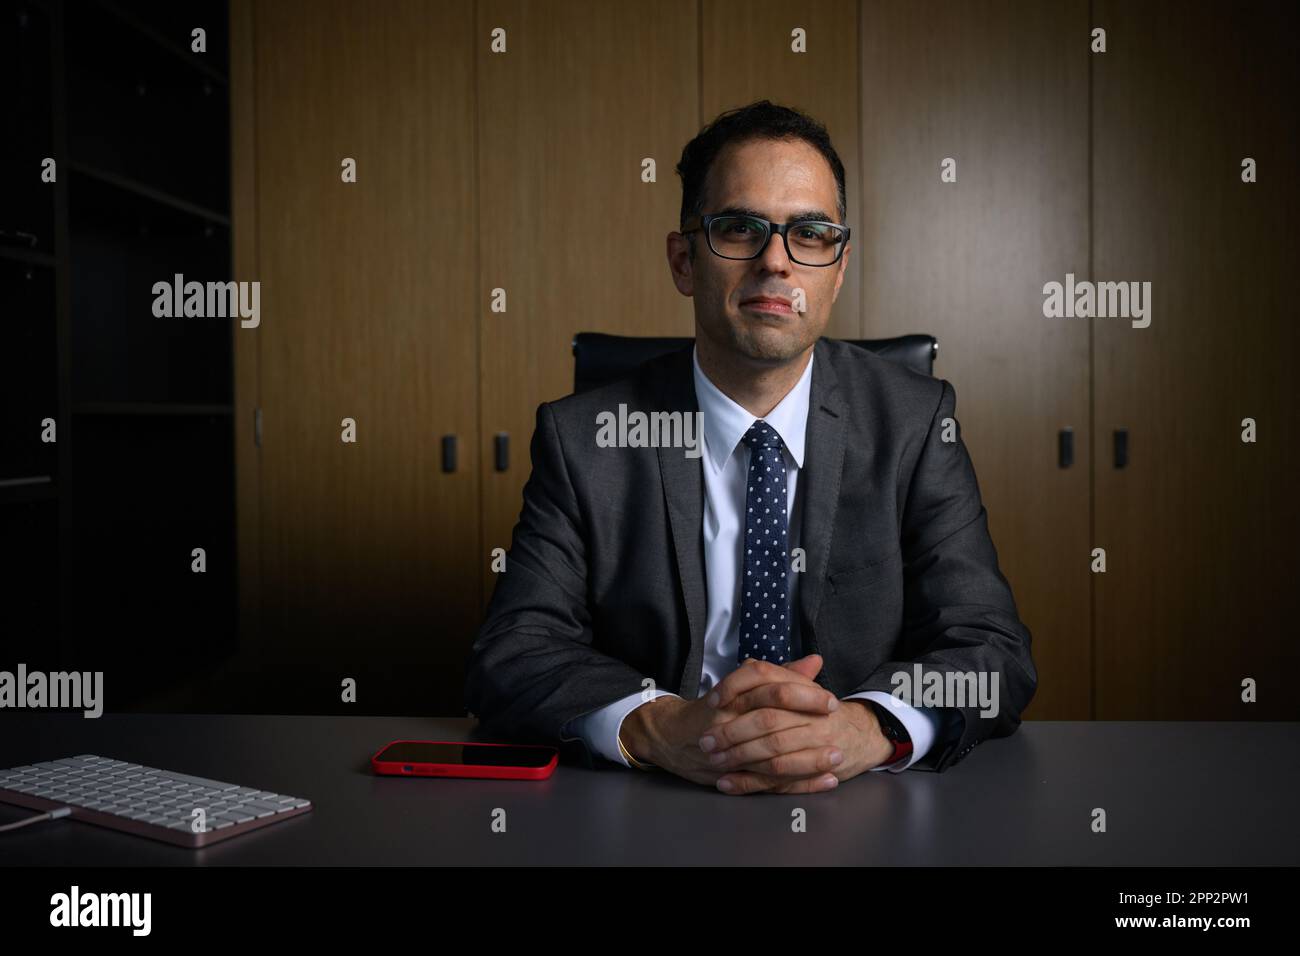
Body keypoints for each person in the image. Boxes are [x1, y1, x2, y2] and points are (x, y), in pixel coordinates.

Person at [465, 100, 1036, 794]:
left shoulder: (915, 423)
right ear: (683, 260)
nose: (776, 262)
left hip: (856, 803)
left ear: (839, 265)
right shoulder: (585, 438)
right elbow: (513, 654)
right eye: (740, 228)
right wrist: (659, 726)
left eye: (810, 233)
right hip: (653, 804)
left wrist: (865, 728)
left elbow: (992, 652)